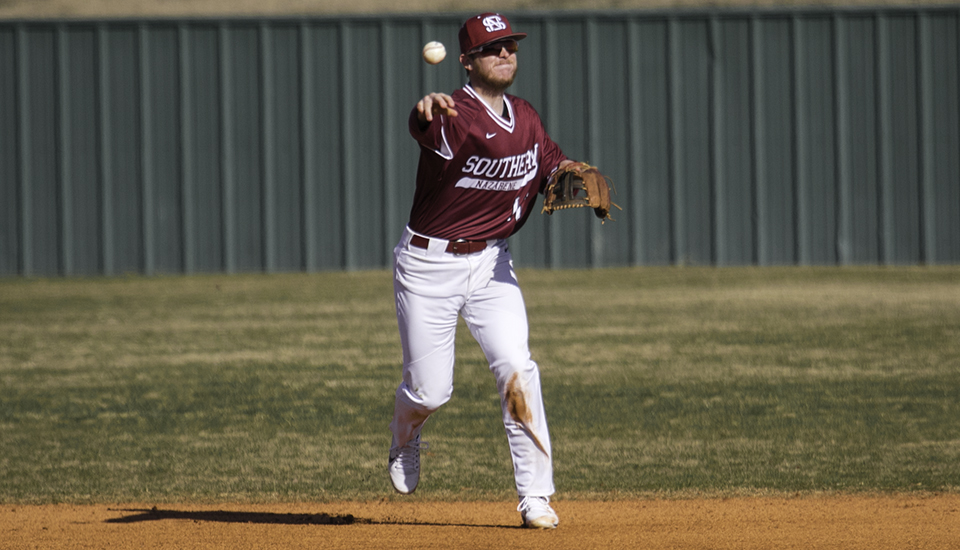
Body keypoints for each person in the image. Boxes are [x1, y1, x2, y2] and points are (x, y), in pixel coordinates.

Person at [387, 12, 581, 530]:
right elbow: (425, 123)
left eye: (511, 46)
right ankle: (405, 434)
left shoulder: (526, 115)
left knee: (518, 369)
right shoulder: (453, 114)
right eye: (493, 47)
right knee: (431, 391)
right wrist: (423, 108)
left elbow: (551, 163)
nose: (506, 54)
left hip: (492, 264)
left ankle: (535, 496)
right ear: (468, 60)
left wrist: (566, 171)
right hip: (429, 266)